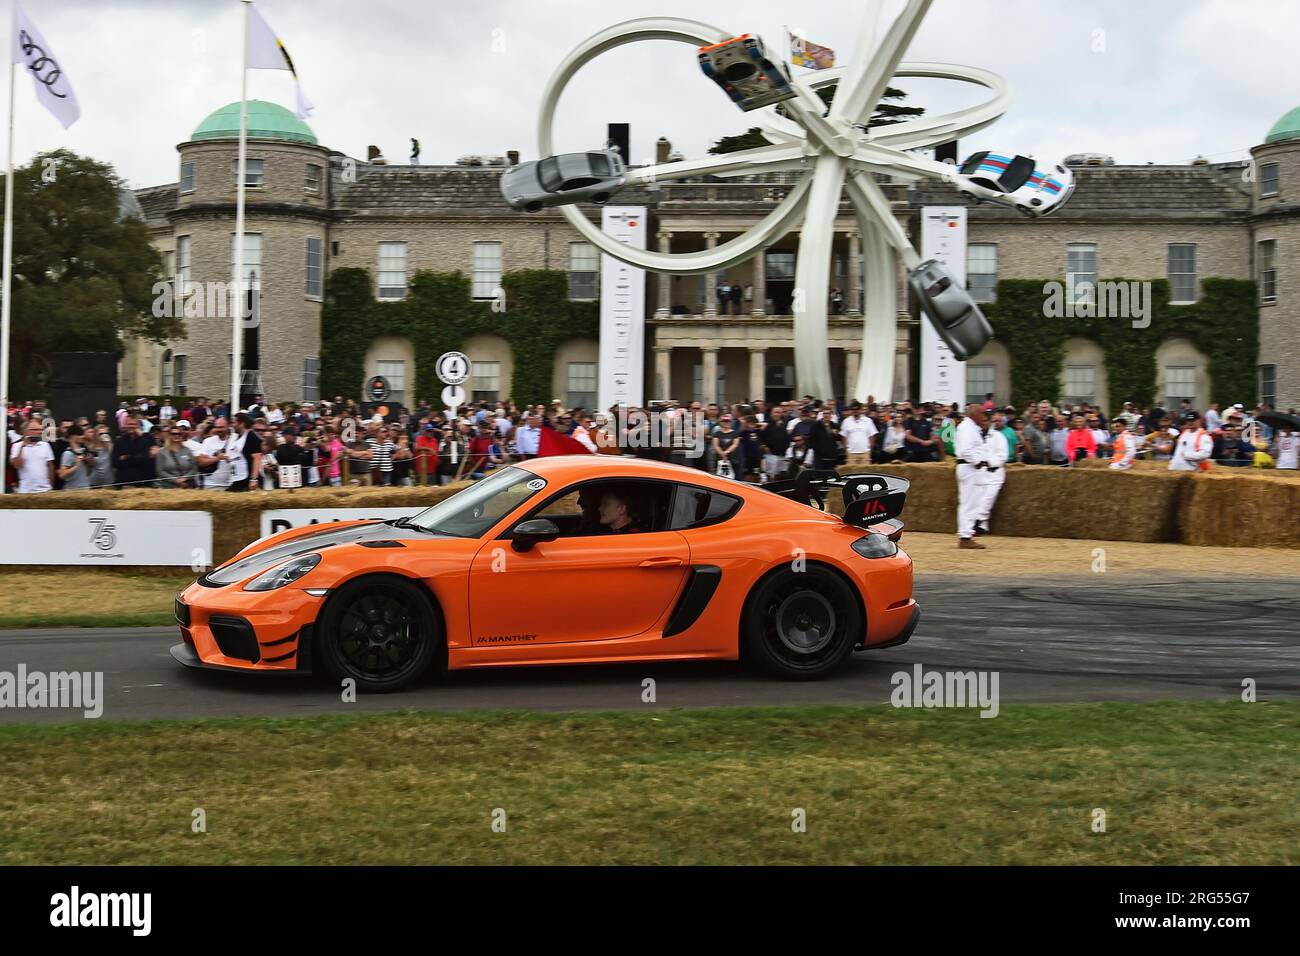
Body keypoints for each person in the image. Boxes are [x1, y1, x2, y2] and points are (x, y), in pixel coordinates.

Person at [954, 404, 990, 549]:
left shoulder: (969, 427)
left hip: (969, 467)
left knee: (972, 502)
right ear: (974, 414)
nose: (984, 417)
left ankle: (967, 533)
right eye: (982, 414)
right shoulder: (967, 428)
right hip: (969, 467)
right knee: (968, 502)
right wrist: (978, 461)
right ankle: (965, 536)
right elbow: (966, 450)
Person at [974, 414, 1008, 535]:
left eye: (985, 421)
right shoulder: (976, 436)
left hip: (995, 472)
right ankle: (983, 527)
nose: (982, 423)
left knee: (988, 498)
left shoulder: (999, 437)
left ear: (989, 422)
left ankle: (978, 520)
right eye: (981, 421)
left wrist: (989, 462)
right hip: (980, 472)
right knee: (979, 499)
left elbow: (1003, 456)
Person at [10, 419, 54, 493]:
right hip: (26, 490)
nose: (39, 432)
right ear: (25, 431)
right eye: (35, 429)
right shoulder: (16, 446)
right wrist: (23, 446)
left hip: (45, 490)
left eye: (40, 429)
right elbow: (17, 465)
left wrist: (51, 484)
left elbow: (50, 466)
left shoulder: (45, 445)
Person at [57, 425, 94, 491]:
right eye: (80, 434)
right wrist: (76, 466)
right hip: (73, 491)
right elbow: (62, 475)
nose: (82, 437)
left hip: (86, 488)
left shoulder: (84, 451)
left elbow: (89, 471)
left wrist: (90, 462)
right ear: (72, 436)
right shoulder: (67, 453)